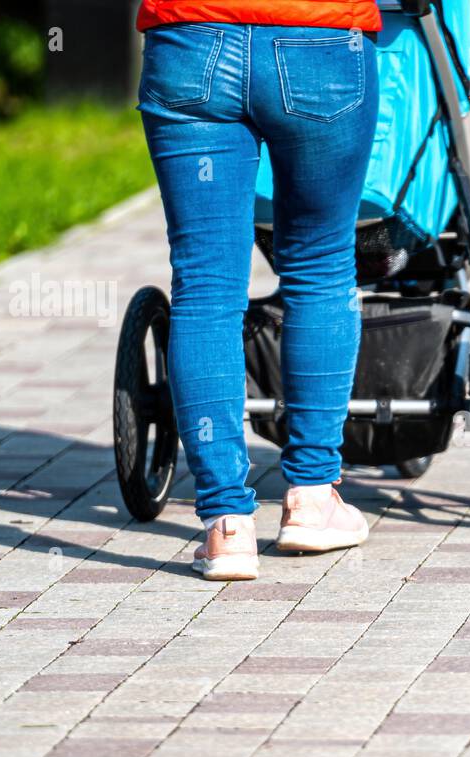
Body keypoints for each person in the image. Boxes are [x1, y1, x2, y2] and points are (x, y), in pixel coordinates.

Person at [135, 0, 383, 581]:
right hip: (319, 42)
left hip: (189, 41)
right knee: (319, 266)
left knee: (204, 286)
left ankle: (226, 526)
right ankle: (311, 499)